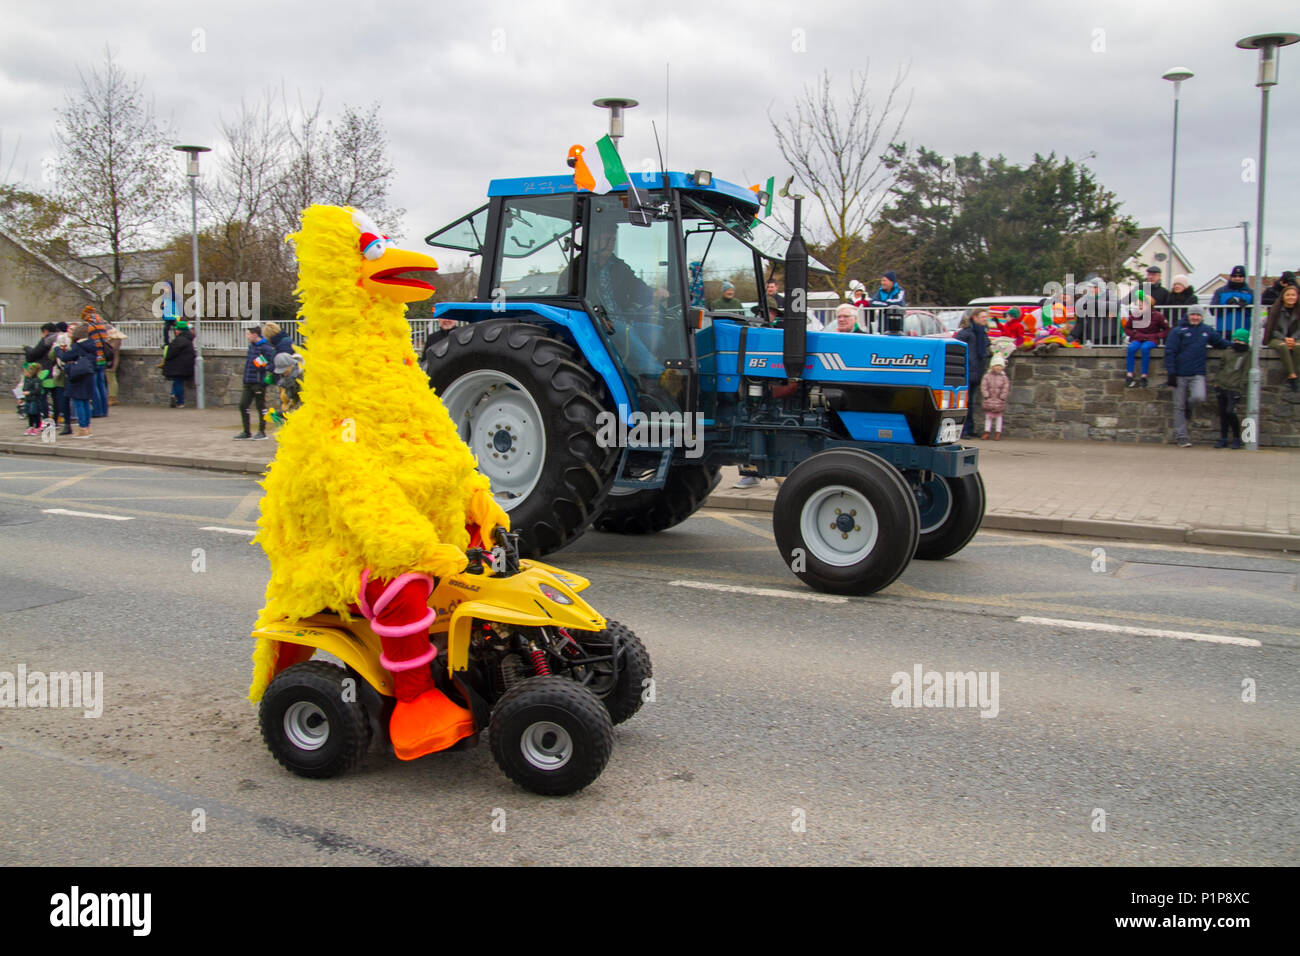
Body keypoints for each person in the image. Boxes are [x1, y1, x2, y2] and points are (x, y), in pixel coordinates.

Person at [1165, 307, 1228, 447]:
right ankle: (1182, 437)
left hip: (1197, 373)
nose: (1195, 317)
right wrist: (1171, 372)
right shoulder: (1177, 331)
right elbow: (1170, 352)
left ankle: (1190, 405)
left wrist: (1236, 345)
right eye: (1193, 314)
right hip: (1179, 374)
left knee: (1199, 397)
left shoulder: (1206, 330)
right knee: (1178, 407)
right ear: (1188, 315)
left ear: (1202, 317)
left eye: (1198, 315)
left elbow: (1220, 343)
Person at [54, 322, 98, 437]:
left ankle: (82, 428)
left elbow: (65, 357)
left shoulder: (77, 346)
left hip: (78, 376)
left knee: (79, 402)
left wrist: (57, 350)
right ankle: (87, 427)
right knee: (86, 402)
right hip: (89, 375)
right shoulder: (92, 345)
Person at [954, 308, 991, 438]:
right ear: (975, 317)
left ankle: (969, 429)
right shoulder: (967, 333)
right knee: (964, 402)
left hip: (976, 372)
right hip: (967, 371)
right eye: (983, 317)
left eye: (986, 317)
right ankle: (963, 430)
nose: (985, 319)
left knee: (970, 403)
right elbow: (956, 346)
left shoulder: (982, 333)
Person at [235, 326, 275, 440]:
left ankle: (262, 432)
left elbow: (271, 364)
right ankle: (246, 432)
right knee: (243, 405)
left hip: (258, 383)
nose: (246, 336)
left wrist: (262, 365)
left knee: (260, 406)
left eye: (248, 334)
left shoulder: (266, 347)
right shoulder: (251, 347)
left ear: (254, 335)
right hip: (248, 381)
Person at [1122, 289, 1169, 387]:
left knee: (1145, 348)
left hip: (1151, 339)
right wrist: (1134, 335)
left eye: (1142, 304)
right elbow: (1126, 328)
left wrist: (1157, 336)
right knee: (1131, 348)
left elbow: (1166, 329)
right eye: (1139, 304)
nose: (1139, 306)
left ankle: (1144, 375)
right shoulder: (1135, 315)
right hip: (1138, 338)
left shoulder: (1158, 316)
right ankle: (1129, 374)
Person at [1214, 329, 1251, 448]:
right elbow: (1221, 367)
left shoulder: (1248, 354)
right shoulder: (1228, 352)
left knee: (1230, 412)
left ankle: (1236, 438)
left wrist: (1240, 386)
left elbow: (1246, 372)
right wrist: (1217, 382)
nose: (1237, 342)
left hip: (1235, 388)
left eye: (1240, 340)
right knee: (1223, 414)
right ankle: (1223, 438)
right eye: (1235, 339)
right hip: (1222, 386)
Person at [1263, 284, 1300, 391]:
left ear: (1297, 296)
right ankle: (1292, 376)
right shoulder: (1275, 310)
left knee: (1298, 347)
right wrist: (1284, 338)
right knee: (1283, 346)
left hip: (1296, 338)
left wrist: (1293, 338)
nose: (1291, 297)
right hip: (1276, 338)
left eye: (1293, 295)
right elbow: (1271, 329)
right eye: (1288, 295)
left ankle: (1292, 376)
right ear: (1283, 297)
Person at [80, 305, 114, 418]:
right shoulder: (101, 325)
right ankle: (104, 410)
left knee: (93, 385)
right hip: (103, 358)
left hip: (94, 358)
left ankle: (97, 410)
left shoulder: (88, 327)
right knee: (102, 384)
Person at [161, 319, 196, 407]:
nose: (175, 331)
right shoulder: (189, 340)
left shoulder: (178, 340)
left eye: (176, 329)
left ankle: (179, 401)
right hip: (185, 366)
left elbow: (170, 353)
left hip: (177, 367)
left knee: (178, 382)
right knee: (177, 382)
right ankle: (175, 397)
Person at [1210, 266, 1253, 336]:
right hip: (1223, 330)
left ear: (1244, 277)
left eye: (1240, 276)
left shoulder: (1251, 292)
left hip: (1242, 331)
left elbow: (1256, 312)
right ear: (1231, 277)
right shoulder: (1220, 291)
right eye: (1234, 276)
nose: (1237, 278)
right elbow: (1212, 310)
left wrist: (1246, 305)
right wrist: (1227, 305)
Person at [980, 353, 1009, 440]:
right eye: (996, 365)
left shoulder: (1004, 377)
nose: (998, 367)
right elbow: (984, 386)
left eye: (1000, 366)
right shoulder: (987, 376)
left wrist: (1002, 396)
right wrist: (986, 395)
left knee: (999, 417)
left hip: (999, 400)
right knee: (988, 416)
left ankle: (998, 432)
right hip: (989, 399)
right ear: (992, 366)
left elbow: (1006, 387)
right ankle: (987, 431)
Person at [20, 363, 47, 435]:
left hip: (34, 399)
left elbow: (38, 390)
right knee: (29, 413)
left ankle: (37, 427)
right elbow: (24, 388)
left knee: (34, 413)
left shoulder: (37, 380)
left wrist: (30, 392)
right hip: (28, 399)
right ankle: (30, 426)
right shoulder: (27, 379)